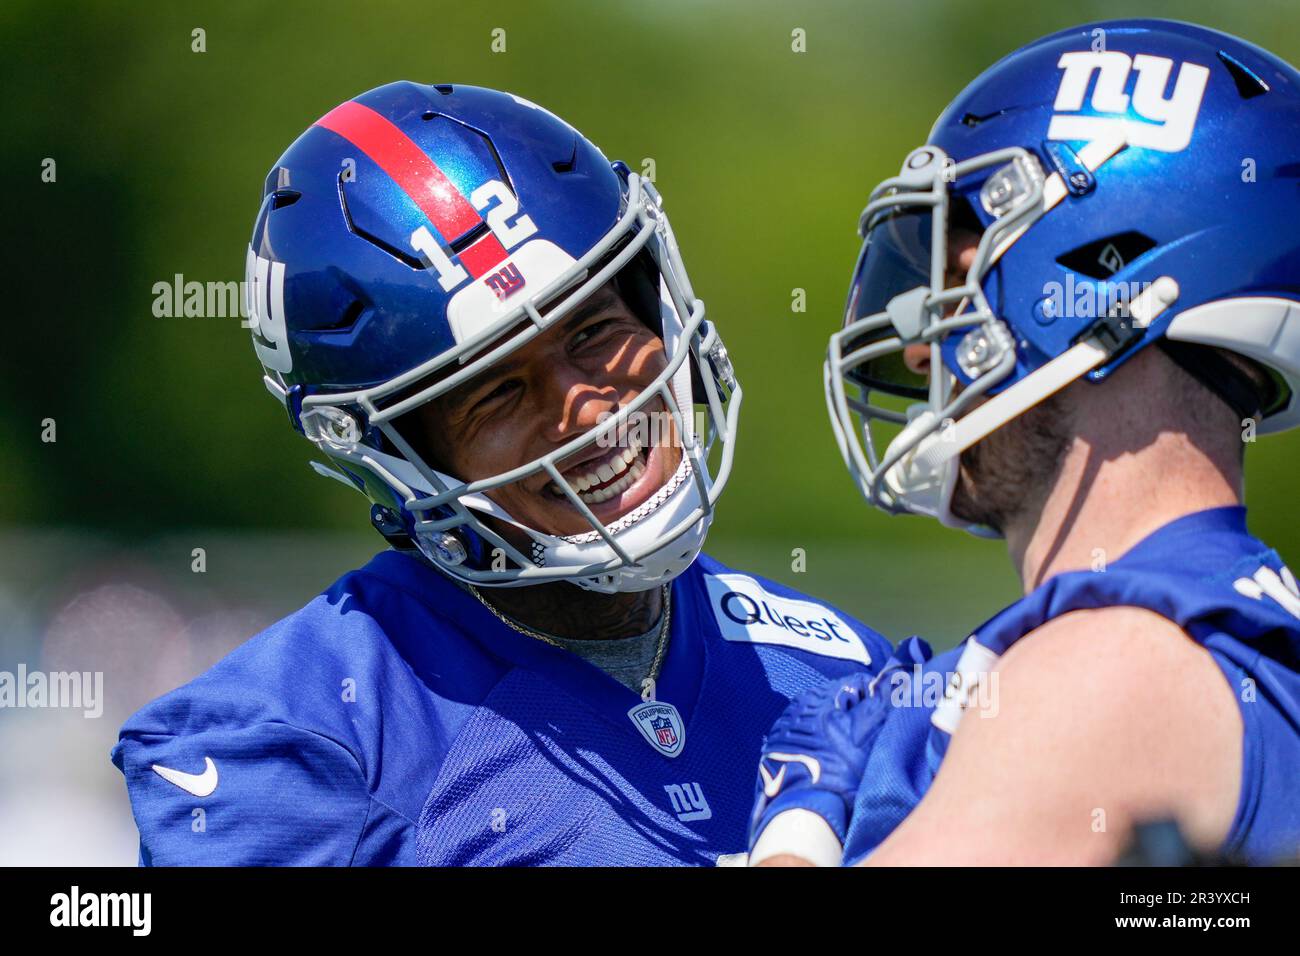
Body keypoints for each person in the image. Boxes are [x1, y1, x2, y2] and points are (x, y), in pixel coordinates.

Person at [111, 82, 893, 865]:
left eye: (592, 330)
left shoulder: (842, 675)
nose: (588, 411)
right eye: (498, 392)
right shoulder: (296, 745)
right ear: (399, 456)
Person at [748, 18, 1300, 866]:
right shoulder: (1220, 632)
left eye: (964, 279)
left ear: (1099, 278)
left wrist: (796, 828)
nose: (922, 348)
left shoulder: (1115, 668)